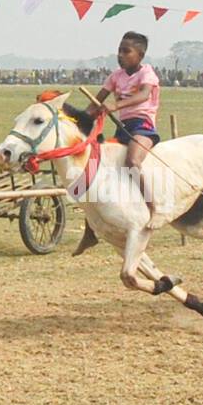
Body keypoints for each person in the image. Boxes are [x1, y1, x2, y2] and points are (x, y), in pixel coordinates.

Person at [76, 31, 163, 254]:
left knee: (132, 162)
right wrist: (80, 121)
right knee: (93, 171)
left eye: (126, 51)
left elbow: (143, 96)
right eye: (119, 50)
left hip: (142, 126)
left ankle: (153, 208)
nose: (121, 55)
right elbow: (98, 101)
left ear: (140, 55)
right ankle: (90, 232)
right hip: (121, 129)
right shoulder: (115, 76)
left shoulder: (147, 73)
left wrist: (117, 106)